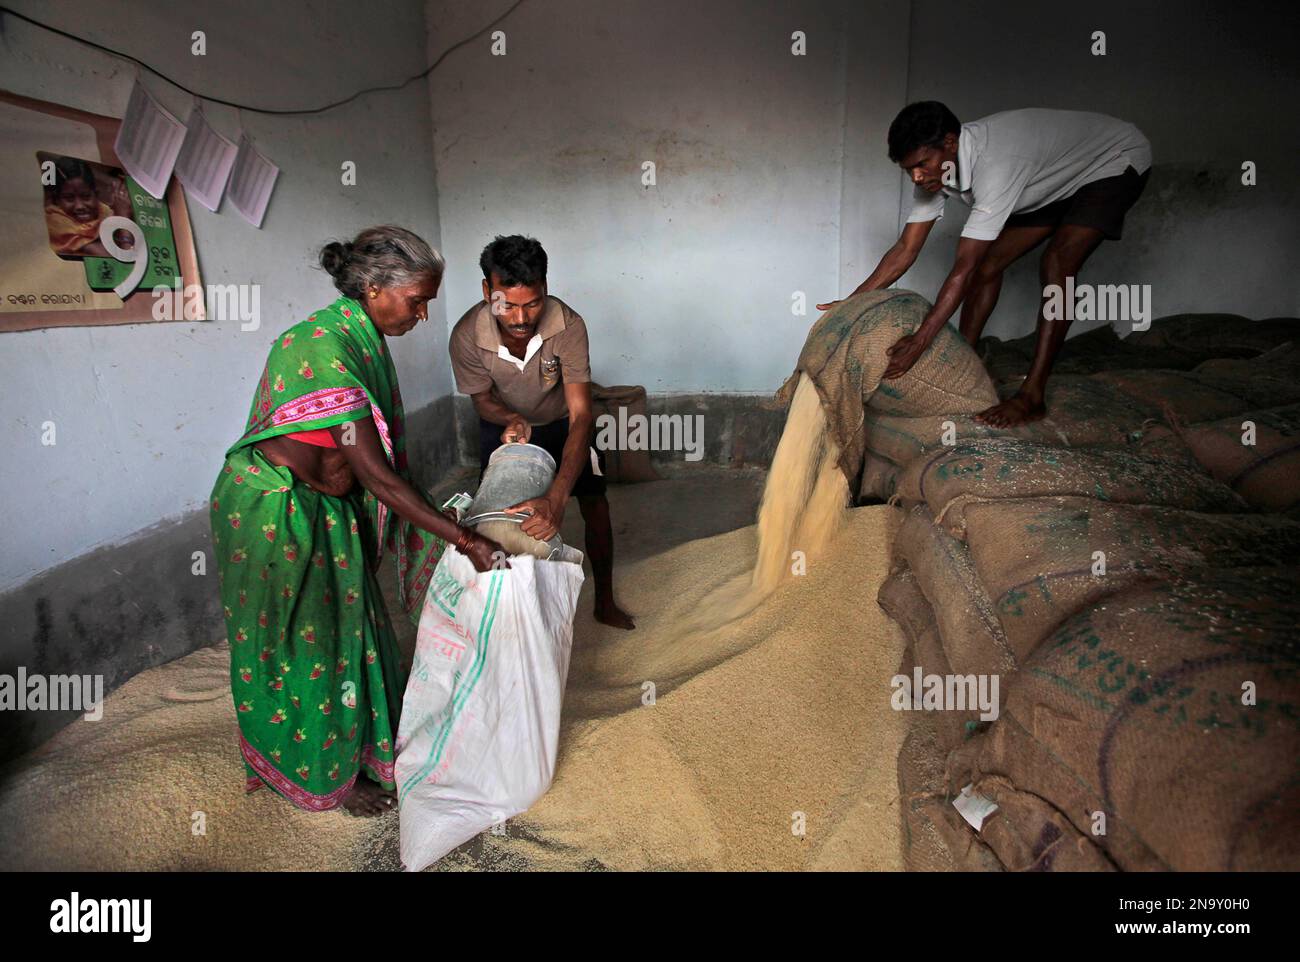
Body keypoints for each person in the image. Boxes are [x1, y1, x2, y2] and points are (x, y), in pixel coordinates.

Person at [210, 226, 505, 817]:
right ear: (373, 288)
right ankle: (324, 777)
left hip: (324, 509)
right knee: (304, 644)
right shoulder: (322, 351)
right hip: (278, 513)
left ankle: (362, 753)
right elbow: (379, 478)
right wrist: (465, 538)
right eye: (416, 300)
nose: (421, 316)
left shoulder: (354, 337)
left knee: (357, 634)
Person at [821, 103, 1151, 427]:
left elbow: (964, 264)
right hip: (1051, 178)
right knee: (987, 266)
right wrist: (853, 305)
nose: (917, 177)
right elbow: (906, 249)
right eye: (909, 170)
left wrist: (922, 340)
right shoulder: (938, 171)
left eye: (922, 164)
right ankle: (966, 360)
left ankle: (1032, 396)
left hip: (1112, 162)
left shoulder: (997, 164)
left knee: (1057, 262)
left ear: (950, 143)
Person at [449, 235, 635, 629]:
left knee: (594, 502)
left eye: (532, 303)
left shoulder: (568, 325)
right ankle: (504, 611)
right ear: (487, 290)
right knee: (496, 517)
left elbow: (582, 414)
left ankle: (604, 599)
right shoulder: (467, 336)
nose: (520, 318)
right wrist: (509, 419)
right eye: (508, 305)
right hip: (504, 430)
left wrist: (556, 496)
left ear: (546, 289)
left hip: (565, 423)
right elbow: (482, 401)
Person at [43, 157, 132, 258]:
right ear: (57, 200)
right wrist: (123, 218)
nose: (79, 206)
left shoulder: (103, 213)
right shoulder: (61, 226)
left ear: (96, 195)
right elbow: (125, 260)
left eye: (86, 196)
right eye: (69, 198)